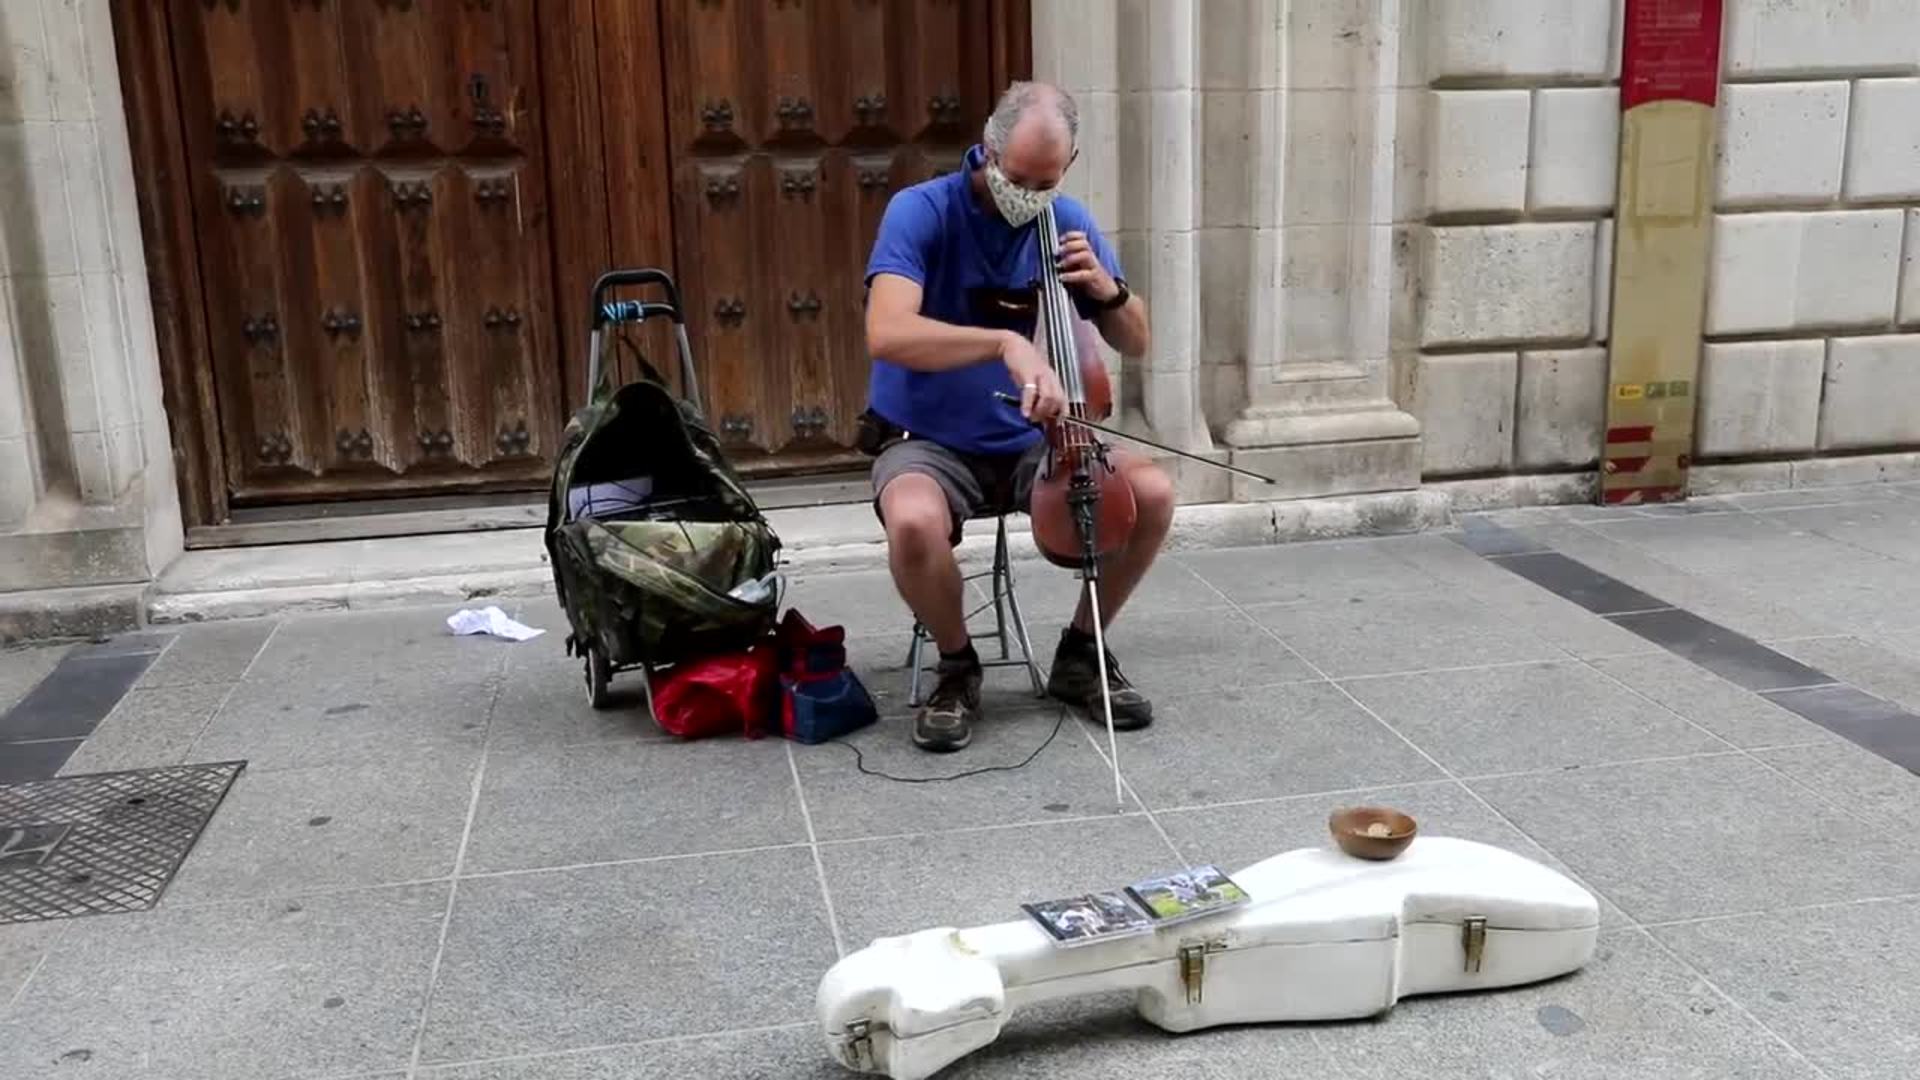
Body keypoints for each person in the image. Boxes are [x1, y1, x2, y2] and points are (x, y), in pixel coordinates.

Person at [859, 80, 1176, 754]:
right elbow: (886, 332)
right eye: (1016, 177)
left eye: (1045, 182)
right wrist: (1004, 343)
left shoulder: (1067, 220)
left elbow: (1137, 341)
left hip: (1043, 441)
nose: (1027, 194)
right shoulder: (921, 212)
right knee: (913, 520)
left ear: (1070, 164)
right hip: (930, 440)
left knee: (1151, 493)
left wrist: (1109, 292)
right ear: (988, 148)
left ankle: (1081, 651)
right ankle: (957, 666)